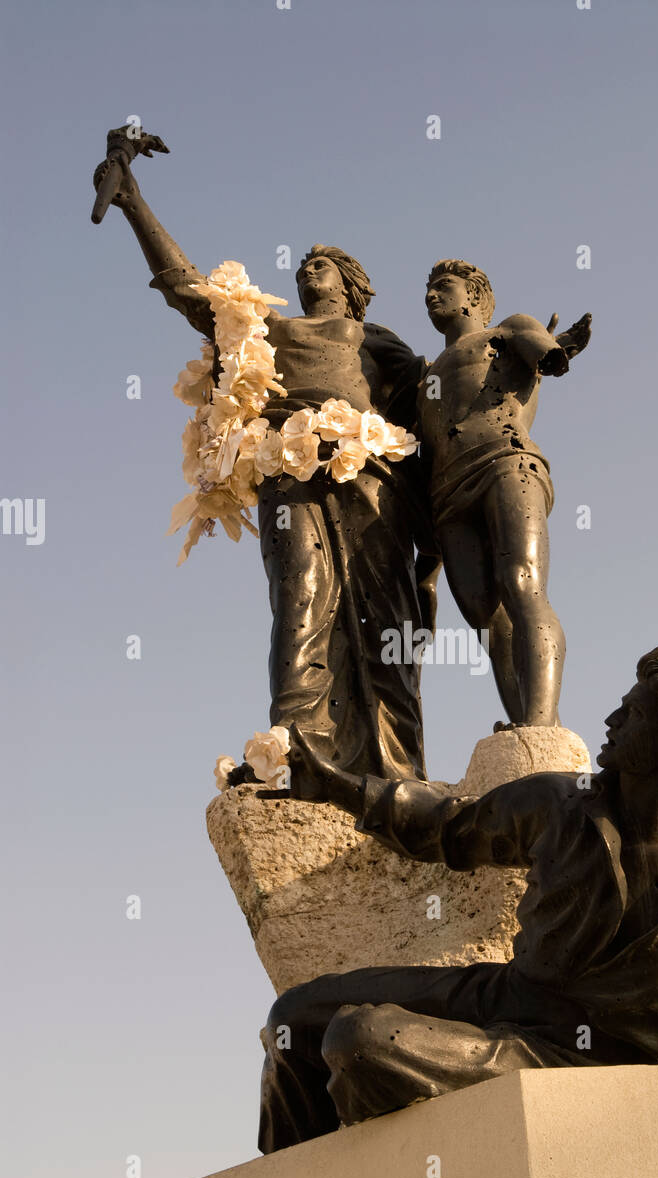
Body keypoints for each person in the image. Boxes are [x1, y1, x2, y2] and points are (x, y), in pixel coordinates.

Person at [257, 645, 658, 1152]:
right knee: (295, 1015)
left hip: (589, 1061)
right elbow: (448, 826)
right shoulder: (562, 803)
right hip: (507, 995)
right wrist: (337, 787)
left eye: (633, 714)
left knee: (358, 1040)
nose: (611, 720)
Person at [94, 152, 439, 779]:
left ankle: (397, 764)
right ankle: (299, 749)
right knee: (299, 594)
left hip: (372, 476)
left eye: (322, 264)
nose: (308, 270)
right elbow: (190, 290)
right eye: (303, 265)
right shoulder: (267, 330)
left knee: (386, 612)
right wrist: (133, 201)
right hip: (287, 471)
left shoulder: (376, 341)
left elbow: (435, 411)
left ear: (351, 286)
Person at [417, 259, 591, 727]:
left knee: (522, 585)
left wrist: (555, 348)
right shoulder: (425, 376)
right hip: (447, 496)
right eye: (428, 290)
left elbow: (547, 354)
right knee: (485, 616)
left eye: (444, 286)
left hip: (505, 462)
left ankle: (541, 723)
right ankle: (525, 723)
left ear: (474, 295)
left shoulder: (507, 330)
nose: (431, 296)